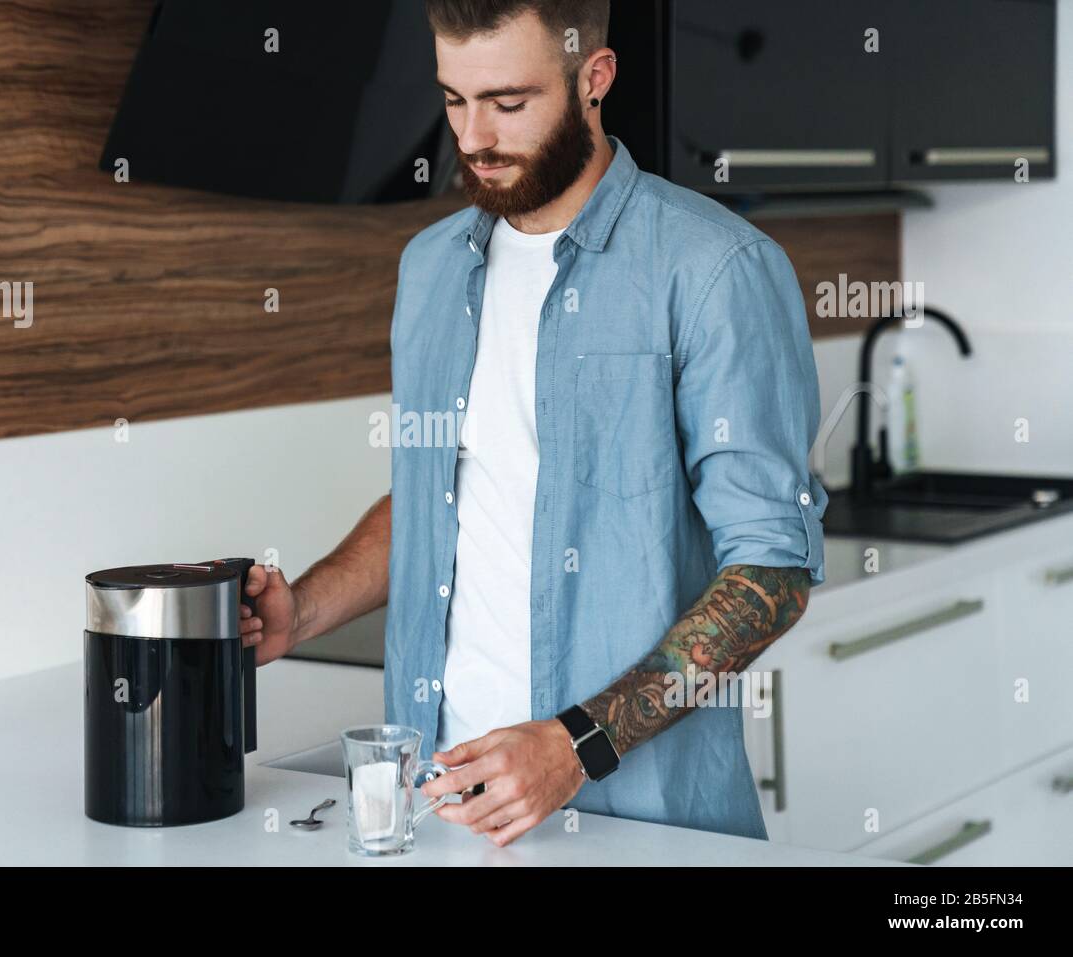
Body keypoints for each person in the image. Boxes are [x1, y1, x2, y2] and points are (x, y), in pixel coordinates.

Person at [238, 0, 827, 847]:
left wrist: (577, 743)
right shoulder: (431, 268)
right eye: (453, 100)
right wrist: (308, 609)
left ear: (595, 78)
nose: (474, 136)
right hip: (436, 809)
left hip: (642, 820)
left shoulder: (714, 269)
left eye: (509, 103)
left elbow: (774, 570)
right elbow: (441, 495)